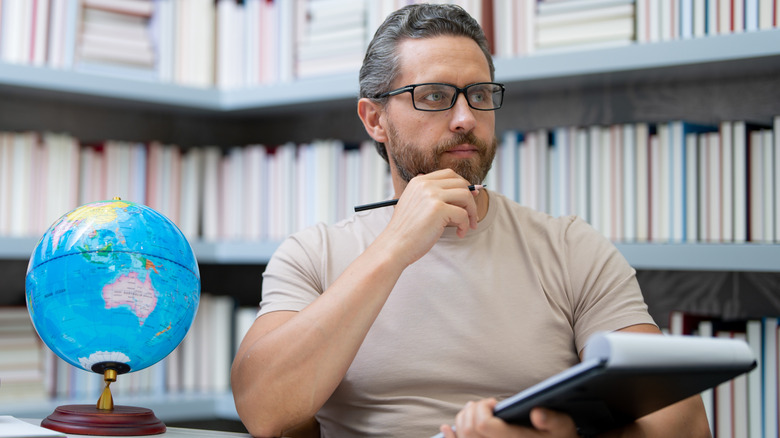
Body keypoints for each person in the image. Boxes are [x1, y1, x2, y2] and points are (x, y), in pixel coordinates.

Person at [231, 4, 711, 438]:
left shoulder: (570, 247)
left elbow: (684, 422)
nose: (465, 117)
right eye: (435, 95)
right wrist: (395, 247)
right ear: (375, 119)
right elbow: (263, 411)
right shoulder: (314, 254)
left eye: (479, 94)